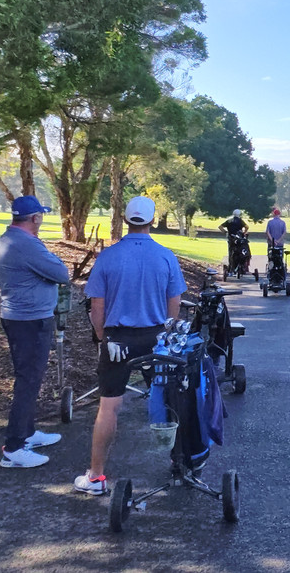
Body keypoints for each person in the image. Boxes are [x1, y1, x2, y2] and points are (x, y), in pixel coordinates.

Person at [74, 195, 186, 495]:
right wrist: (166, 334)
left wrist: (101, 337)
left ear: (126, 220)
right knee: (170, 400)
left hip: (117, 340)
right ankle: (182, 465)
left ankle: (96, 477)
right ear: (151, 221)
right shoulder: (165, 256)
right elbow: (173, 304)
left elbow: (97, 307)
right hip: (154, 339)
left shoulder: (108, 257)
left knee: (109, 406)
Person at [0, 195, 70, 468]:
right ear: (35, 218)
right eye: (41, 216)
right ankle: (13, 448)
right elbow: (62, 273)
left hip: (19, 318)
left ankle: (27, 433)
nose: (42, 219)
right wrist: (53, 261)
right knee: (28, 381)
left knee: (29, 378)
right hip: (30, 321)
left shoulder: (9, 238)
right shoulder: (27, 244)